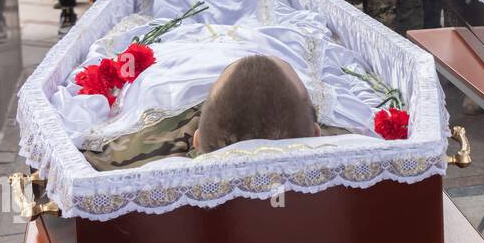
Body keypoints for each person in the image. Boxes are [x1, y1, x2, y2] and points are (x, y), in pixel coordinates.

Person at [84, 55, 325, 170]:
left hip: (182, 64)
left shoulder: (120, 168)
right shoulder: (351, 158)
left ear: (197, 140)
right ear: (317, 134)